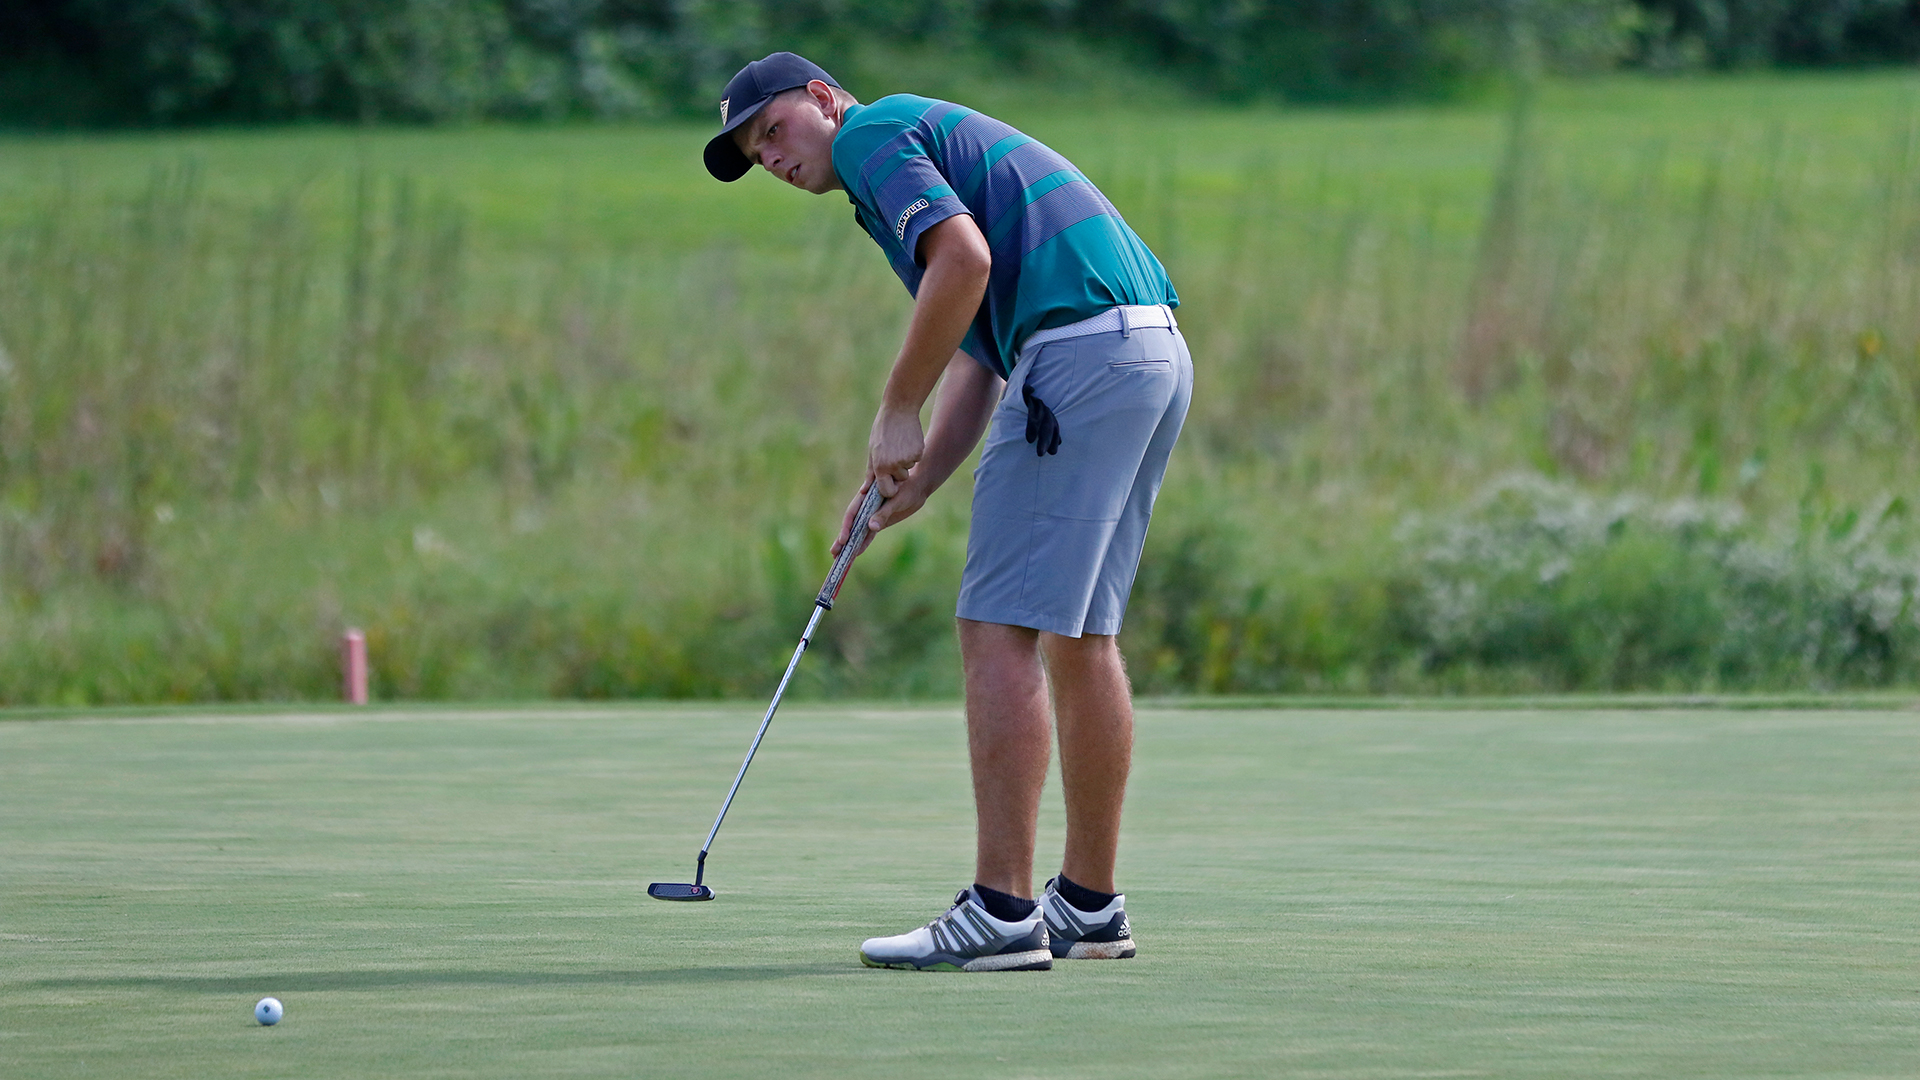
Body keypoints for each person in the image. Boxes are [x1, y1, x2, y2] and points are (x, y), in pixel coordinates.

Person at [703, 52, 1191, 972]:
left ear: (822, 100)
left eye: (772, 131)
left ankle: (1003, 912)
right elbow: (981, 343)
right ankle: (1086, 904)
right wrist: (921, 478)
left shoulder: (878, 132)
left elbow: (961, 262)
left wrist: (895, 409)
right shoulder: (912, 156)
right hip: (1146, 350)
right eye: (750, 153)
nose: (768, 156)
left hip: (1081, 353)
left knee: (996, 628)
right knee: (1080, 634)